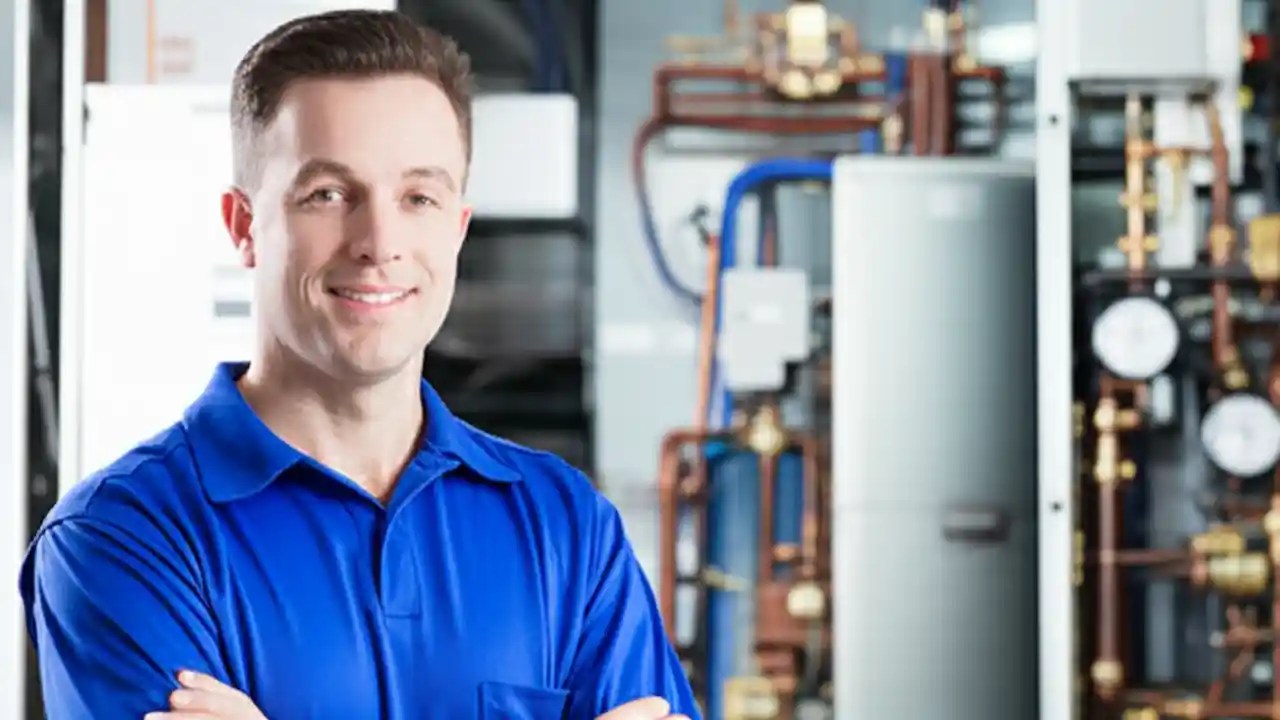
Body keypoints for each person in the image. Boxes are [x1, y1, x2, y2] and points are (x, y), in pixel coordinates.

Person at [19, 9, 698, 720]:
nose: (379, 241)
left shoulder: (566, 526)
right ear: (244, 226)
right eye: (329, 194)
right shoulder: (122, 540)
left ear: (457, 228)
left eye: (418, 198)